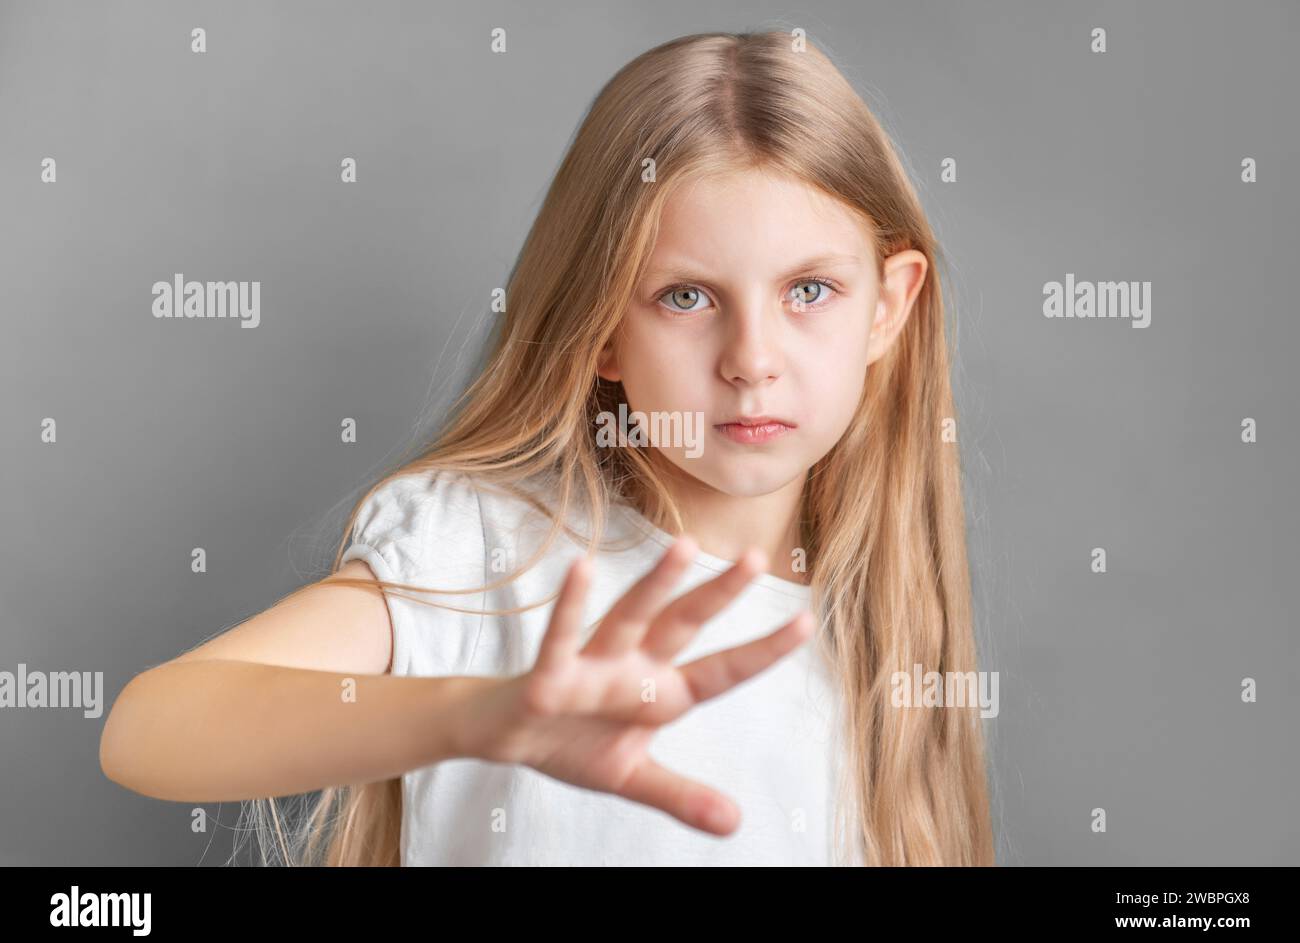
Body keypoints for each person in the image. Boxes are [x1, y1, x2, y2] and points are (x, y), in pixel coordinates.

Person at [99, 30, 994, 866]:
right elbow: (149, 730)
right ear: (599, 328)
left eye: (809, 290)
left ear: (887, 305)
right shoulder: (486, 551)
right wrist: (484, 715)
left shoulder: (883, 638)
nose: (752, 362)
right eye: (686, 297)